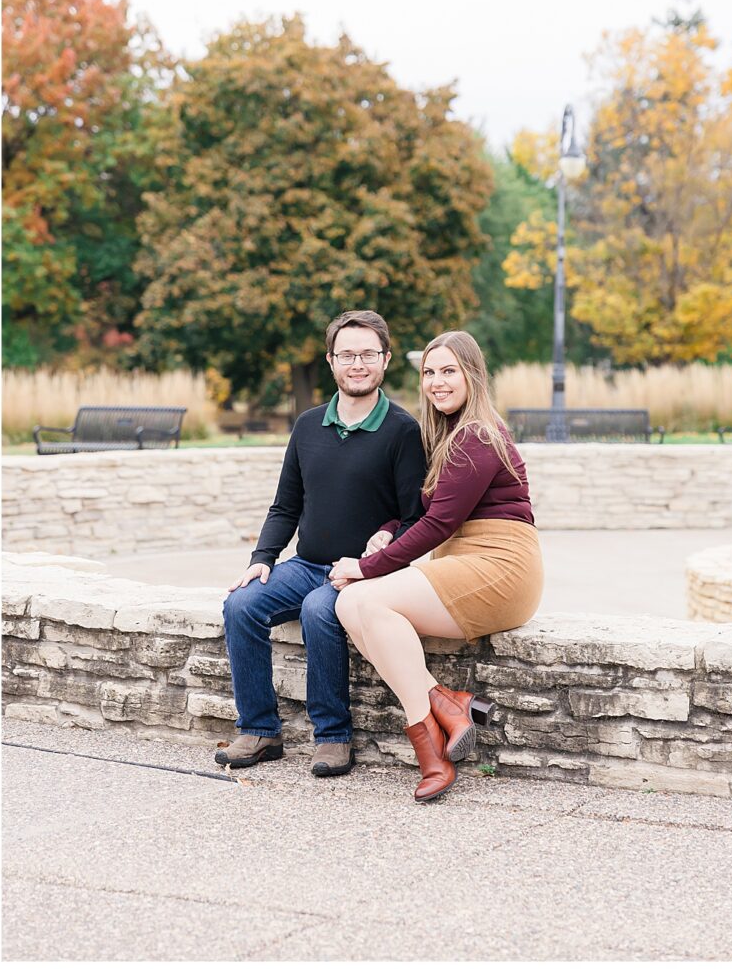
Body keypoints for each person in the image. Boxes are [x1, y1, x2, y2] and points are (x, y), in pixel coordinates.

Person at [327, 329, 542, 802]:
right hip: (465, 559)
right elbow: (422, 509)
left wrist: (368, 566)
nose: (437, 382)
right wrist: (387, 528)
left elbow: (439, 523)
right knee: (349, 605)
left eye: (449, 371)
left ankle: (430, 747)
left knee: (365, 595)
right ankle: (448, 705)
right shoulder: (446, 433)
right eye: (428, 372)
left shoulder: (478, 436)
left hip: (499, 565)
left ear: (473, 375)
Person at [219, 309, 425, 778]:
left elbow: (415, 516)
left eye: (368, 354)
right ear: (331, 361)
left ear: (386, 360)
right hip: (306, 563)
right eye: (347, 354)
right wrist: (262, 558)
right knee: (241, 604)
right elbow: (285, 506)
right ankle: (259, 730)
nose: (358, 364)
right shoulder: (308, 425)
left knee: (318, 609)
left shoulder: (402, 430)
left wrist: (385, 538)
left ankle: (332, 737)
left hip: (361, 573)